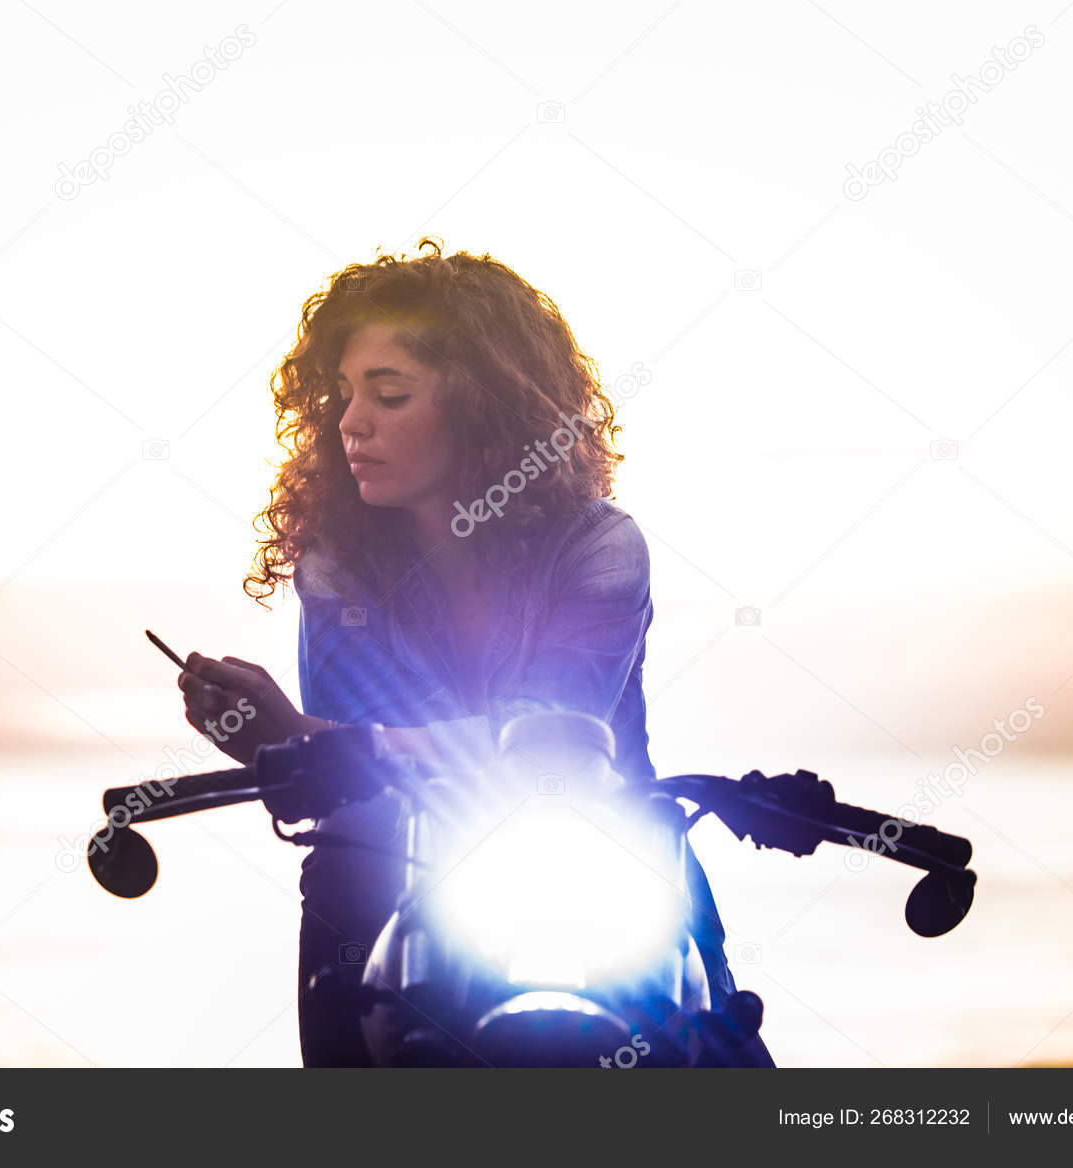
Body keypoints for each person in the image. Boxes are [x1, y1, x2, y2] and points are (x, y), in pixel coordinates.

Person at [177, 238, 763, 1066]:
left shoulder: (599, 548)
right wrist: (290, 749)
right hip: (396, 876)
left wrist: (312, 737)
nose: (350, 421)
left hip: (603, 870)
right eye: (343, 395)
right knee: (347, 873)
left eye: (389, 393)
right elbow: (346, 782)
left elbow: (547, 736)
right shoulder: (337, 562)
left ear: (483, 407)